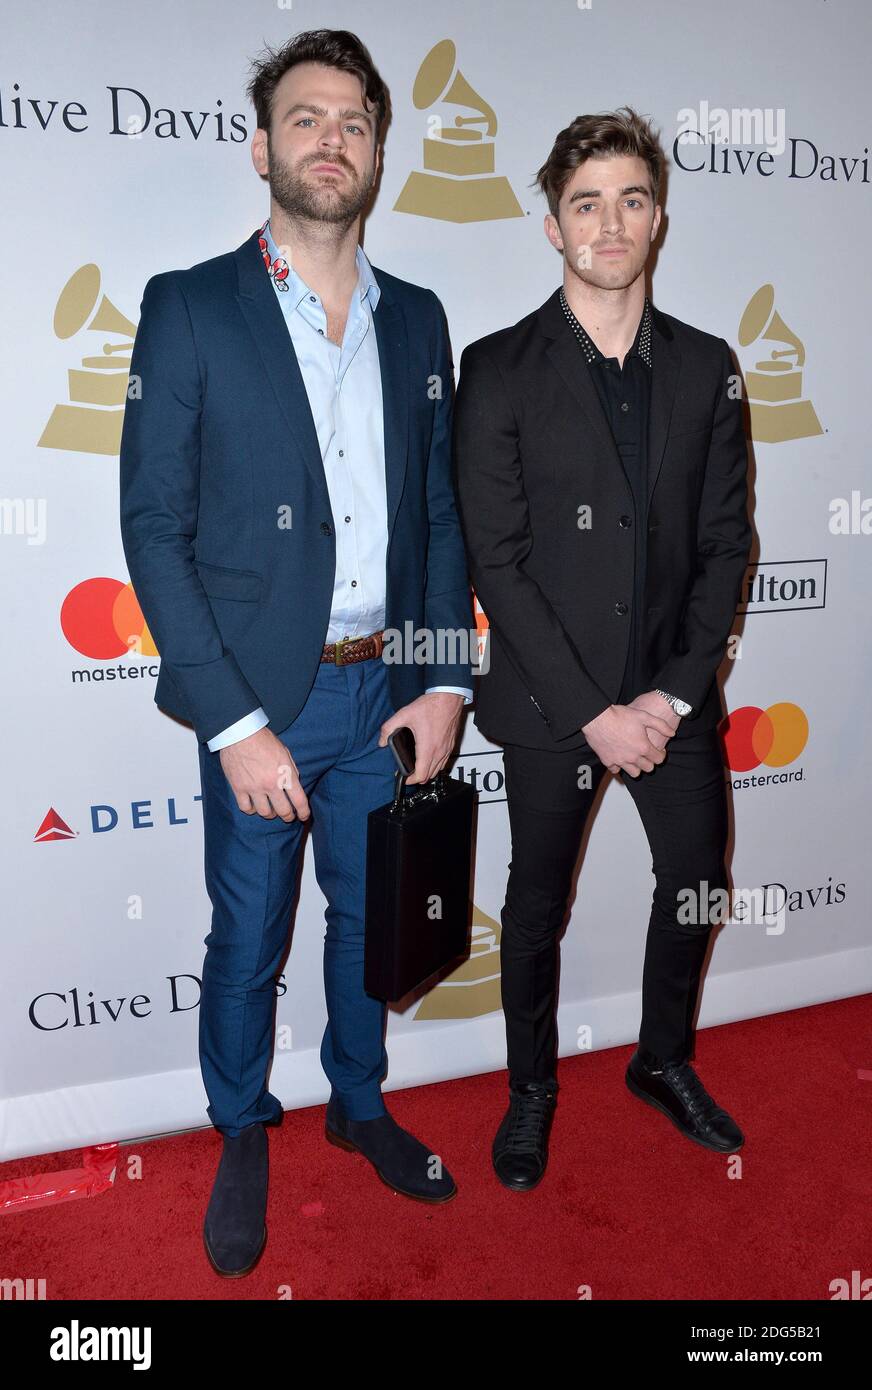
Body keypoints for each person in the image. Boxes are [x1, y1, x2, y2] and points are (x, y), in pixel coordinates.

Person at [120, 28, 473, 1275]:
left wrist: (440, 681)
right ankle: (239, 1123)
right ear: (262, 147)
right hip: (261, 702)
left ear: (379, 150)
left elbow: (437, 514)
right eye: (308, 118)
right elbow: (153, 528)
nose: (334, 139)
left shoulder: (420, 322)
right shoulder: (189, 306)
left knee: (367, 919)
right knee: (248, 931)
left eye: (357, 121)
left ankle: (359, 1103)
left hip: (386, 691)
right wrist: (232, 723)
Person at [453, 108, 752, 1192]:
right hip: (547, 707)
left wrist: (670, 698)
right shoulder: (494, 370)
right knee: (535, 901)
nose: (609, 221)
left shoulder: (708, 367)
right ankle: (530, 1085)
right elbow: (500, 562)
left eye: (630, 199)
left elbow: (725, 544)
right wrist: (593, 713)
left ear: (657, 218)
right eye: (585, 202)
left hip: (670, 703)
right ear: (551, 226)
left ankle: (660, 1057)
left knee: (696, 883)